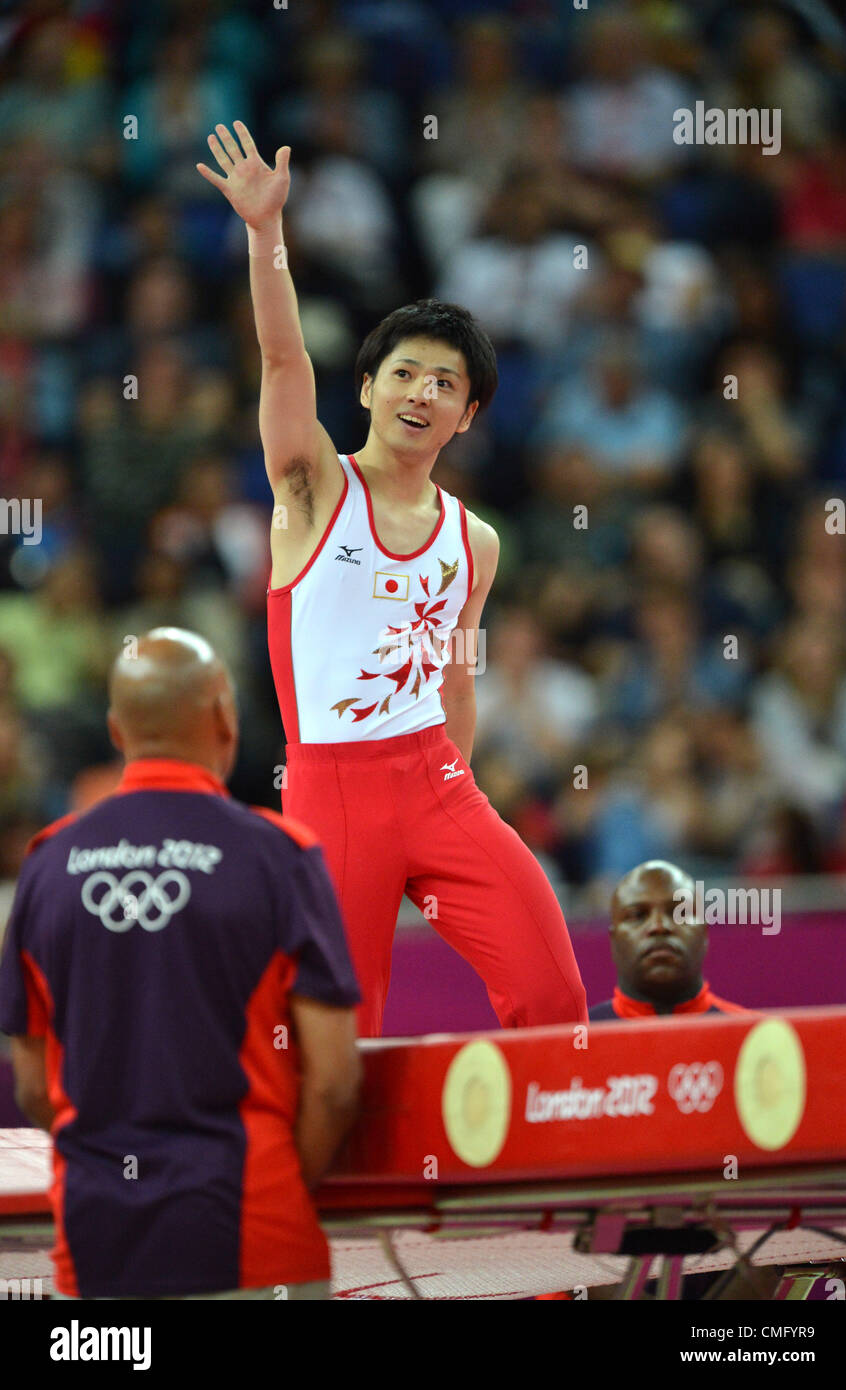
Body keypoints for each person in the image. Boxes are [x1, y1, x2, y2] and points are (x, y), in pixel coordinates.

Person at [196, 122, 588, 1037]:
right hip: (332, 789)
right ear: (367, 386)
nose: (420, 393)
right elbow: (284, 359)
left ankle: (547, 1176)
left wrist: (454, 787)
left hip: (440, 783)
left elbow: (456, 674)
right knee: (344, 1034)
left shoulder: (475, 542)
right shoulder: (310, 488)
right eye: (403, 373)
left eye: (443, 384)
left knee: (552, 997)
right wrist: (266, 234)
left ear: (467, 414)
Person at [0, 628, 361, 1300]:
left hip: (96, 1245)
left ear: (115, 729)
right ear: (225, 714)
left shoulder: (47, 865)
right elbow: (336, 1082)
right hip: (252, 1234)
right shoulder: (278, 855)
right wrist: (276, 1180)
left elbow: (30, 1089)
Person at [589, 859, 746, 1020]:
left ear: (704, 934)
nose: (659, 926)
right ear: (614, 941)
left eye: (680, 913)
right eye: (638, 915)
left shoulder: (754, 1037)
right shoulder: (576, 1040)